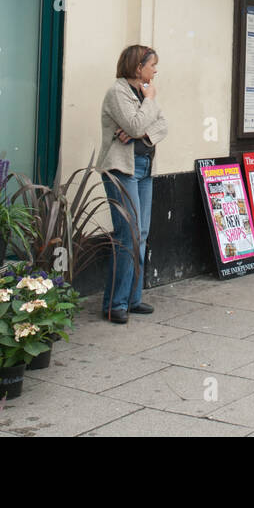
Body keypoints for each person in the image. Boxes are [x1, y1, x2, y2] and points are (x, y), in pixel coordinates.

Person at [97, 45, 168, 324]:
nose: (155, 71)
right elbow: (138, 125)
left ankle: (133, 299)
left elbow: (162, 126)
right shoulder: (118, 92)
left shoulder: (141, 93)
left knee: (142, 232)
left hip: (144, 168)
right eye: (152, 65)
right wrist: (148, 104)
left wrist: (138, 132)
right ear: (138, 67)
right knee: (128, 234)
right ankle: (115, 303)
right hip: (122, 169)